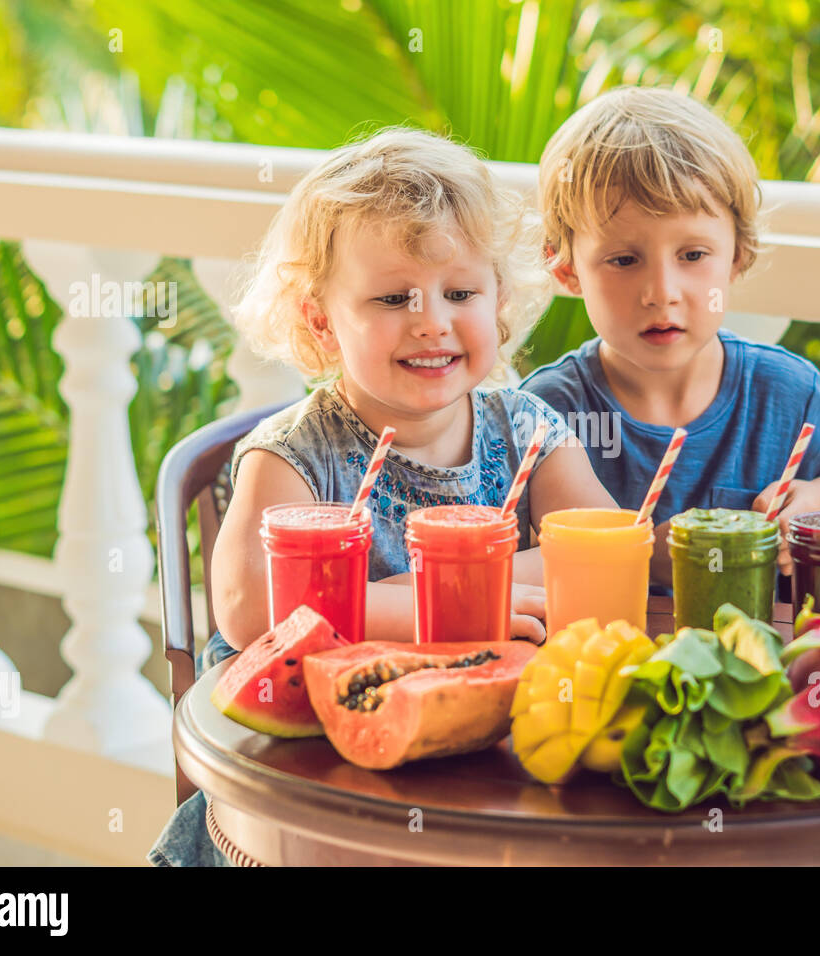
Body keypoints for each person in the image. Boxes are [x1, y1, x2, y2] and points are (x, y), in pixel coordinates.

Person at [149, 126, 614, 867]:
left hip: (485, 772)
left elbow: (594, 557)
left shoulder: (528, 428)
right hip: (312, 795)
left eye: (460, 292)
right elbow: (248, 610)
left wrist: (381, 593)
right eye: (394, 297)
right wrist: (452, 606)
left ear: (497, 300)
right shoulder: (295, 454)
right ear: (319, 320)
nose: (432, 320)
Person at [520, 86, 820, 586]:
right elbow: (518, 561)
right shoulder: (546, 413)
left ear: (736, 255)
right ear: (566, 270)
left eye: (693, 255)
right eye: (624, 260)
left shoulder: (783, 391)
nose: (661, 292)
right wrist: (640, 554)